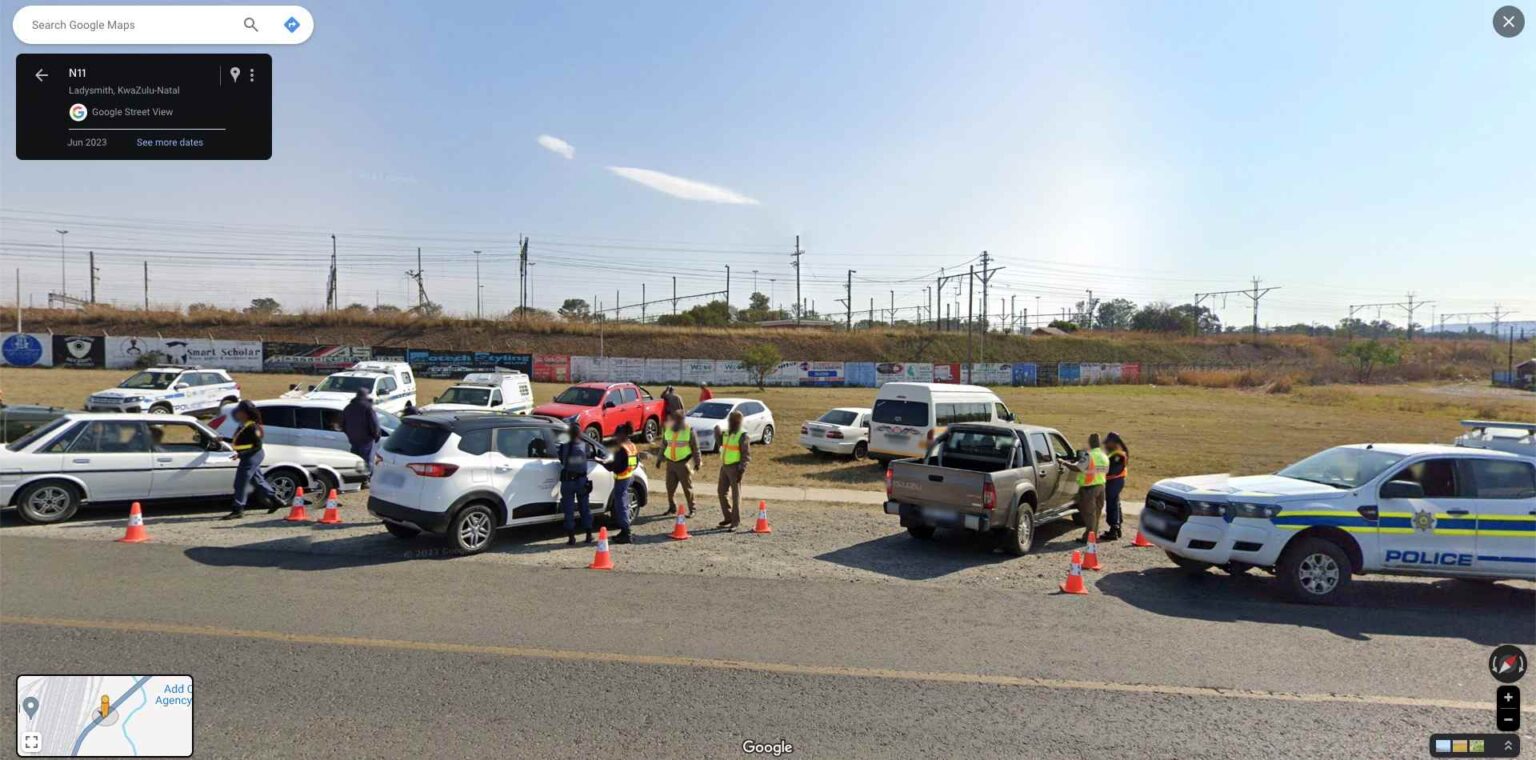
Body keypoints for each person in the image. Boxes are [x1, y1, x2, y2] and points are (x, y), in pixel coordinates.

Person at [220, 401, 281, 520]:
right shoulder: (244, 425)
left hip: (252, 456)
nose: (237, 413)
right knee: (258, 480)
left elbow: (257, 446)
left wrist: (241, 455)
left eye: (240, 411)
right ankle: (276, 500)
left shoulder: (253, 426)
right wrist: (223, 439)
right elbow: (239, 440)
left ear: (246, 413)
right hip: (248, 456)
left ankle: (238, 509)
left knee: (240, 482)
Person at [1062, 433, 1109, 543]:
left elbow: (1077, 468)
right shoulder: (1104, 455)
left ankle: (1088, 538)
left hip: (1089, 488)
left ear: (1090, 442)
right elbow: (1104, 471)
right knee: (1096, 513)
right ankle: (1093, 536)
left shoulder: (1089, 455)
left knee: (1089, 514)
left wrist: (1063, 462)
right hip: (1101, 486)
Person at [556, 421, 595, 545]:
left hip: (568, 482)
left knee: (568, 510)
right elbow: (589, 457)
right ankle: (589, 535)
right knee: (585, 508)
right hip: (581, 481)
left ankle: (571, 538)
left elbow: (562, 460)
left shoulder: (564, 447)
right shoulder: (585, 446)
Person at [657, 410, 700, 517]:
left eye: (678, 419)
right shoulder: (668, 429)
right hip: (670, 463)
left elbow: (695, 448)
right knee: (669, 488)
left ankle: (692, 509)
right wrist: (659, 459)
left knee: (687, 488)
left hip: (683, 463)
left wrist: (697, 462)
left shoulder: (689, 430)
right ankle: (672, 507)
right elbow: (664, 445)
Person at [715, 411, 751, 530]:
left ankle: (735, 522)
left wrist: (741, 470)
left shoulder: (743, 435)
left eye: (732, 420)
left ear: (738, 422)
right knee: (721, 492)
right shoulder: (727, 433)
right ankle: (728, 517)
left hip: (735, 468)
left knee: (736, 496)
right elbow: (721, 445)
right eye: (729, 420)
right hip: (724, 466)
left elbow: (746, 455)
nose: (730, 422)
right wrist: (717, 433)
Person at [607, 423, 640, 544]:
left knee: (620, 506)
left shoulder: (621, 448)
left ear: (622, 435)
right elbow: (635, 463)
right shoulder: (631, 446)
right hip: (629, 477)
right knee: (624, 504)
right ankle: (624, 531)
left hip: (621, 479)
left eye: (617, 435)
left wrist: (601, 462)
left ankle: (626, 532)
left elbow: (613, 466)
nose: (615, 437)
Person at [342, 390, 381, 479]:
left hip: (353, 440)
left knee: (356, 460)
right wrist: (376, 435)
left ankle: (356, 478)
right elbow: (374, 424)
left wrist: (350, 435)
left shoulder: (348, 407)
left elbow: (343, 425)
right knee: (366, 460)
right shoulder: (368, 408)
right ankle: (365, 479)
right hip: (366, 440)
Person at [1102, 432, 1129, 541]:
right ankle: (1117, 528)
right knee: (1115, 503)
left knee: (1112, 504)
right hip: (1116, 481)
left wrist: (1097, 470)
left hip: (1114, 481)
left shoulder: (1118, 454)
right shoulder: (1117, 453)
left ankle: (1113, 529)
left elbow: (1112, 470)